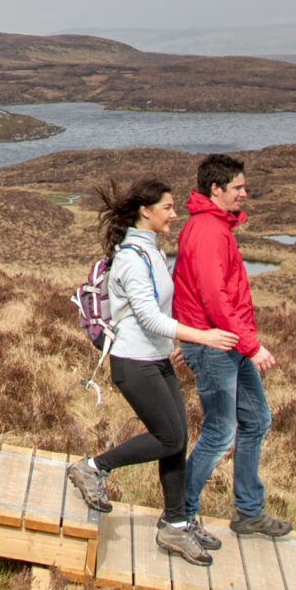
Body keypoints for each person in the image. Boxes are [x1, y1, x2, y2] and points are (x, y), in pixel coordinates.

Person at [64, 178, 240, 564]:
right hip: (133, 363)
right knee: (168, 438)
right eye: (168, 208)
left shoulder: (154, 253)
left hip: (156, 360)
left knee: (176, 440)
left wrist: (176, 346)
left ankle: (176, 525)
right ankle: (93, 468)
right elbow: (147, 317)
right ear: (145, 211)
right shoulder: (131, 258)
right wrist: (203, 337)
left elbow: (162, 313)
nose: (174, 215)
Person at [170, 153, 292, 539]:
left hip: (227, 342)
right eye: (238, 188)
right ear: (216, 189)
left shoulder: (216, 227)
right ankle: (180, 514)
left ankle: (248, 512)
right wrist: (253, 347)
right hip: (215, 345)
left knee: (256, 421)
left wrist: (243, 344)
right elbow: (214, 298)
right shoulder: (207, 231)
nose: (245, 193)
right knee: (221, 432)